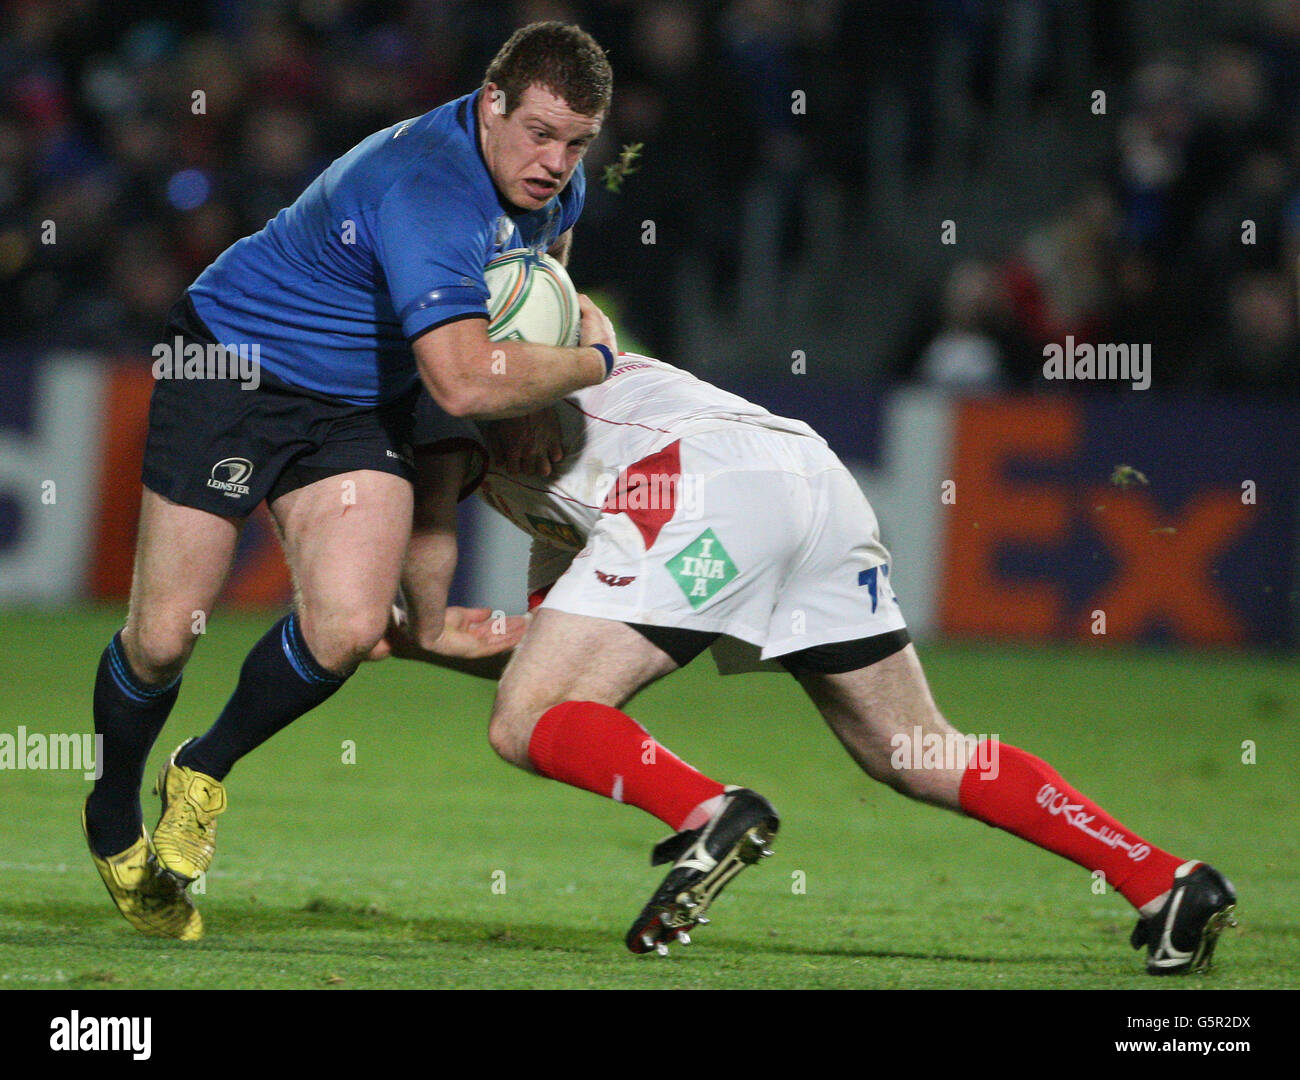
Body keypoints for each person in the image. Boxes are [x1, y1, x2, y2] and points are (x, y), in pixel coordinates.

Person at [384, 350, 1238, 974]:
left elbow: (543, 698)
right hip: (806, 476)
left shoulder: (473, 397)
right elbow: (560, 664)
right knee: (913, 749)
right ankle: (1166, 882)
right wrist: (422, 647)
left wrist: (411, 626)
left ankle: (709, 813)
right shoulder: (523, 470)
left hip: (696, 482)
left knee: (524, 722)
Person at [84, 21, 615, 941]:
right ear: (491, 104)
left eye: (577, 143)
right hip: (233, 369)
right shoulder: (427, 187)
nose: (556, 163)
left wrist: (553, 364)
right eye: (538, 133)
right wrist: (598, 365)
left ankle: (201, 772)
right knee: (165, 639)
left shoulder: (546, 187)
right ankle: (108, 808)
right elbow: (460, 377)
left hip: (358, 401)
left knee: (350, 628)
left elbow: (543, 291)